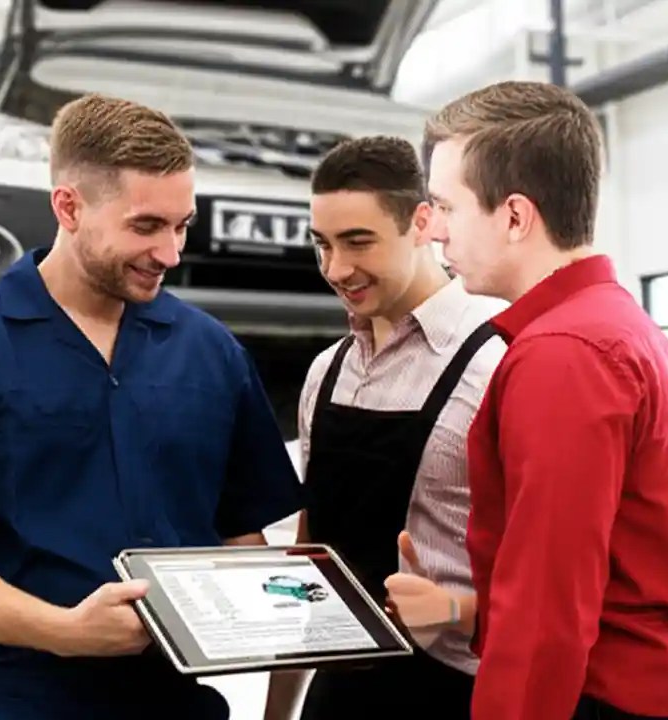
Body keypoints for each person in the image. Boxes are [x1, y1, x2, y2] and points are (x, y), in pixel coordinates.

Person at [0, 93, 303, 720]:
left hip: (177, 705)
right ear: (68, 207)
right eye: (145, 227)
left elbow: (243, 536)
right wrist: (66, 631)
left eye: (181, 225)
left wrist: (300, 614)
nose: (171, 253)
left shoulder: (212, 353)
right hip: (19, 705)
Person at [424, 80, 668, 720]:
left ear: (514, 216)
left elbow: (546, 602)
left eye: (447, 207)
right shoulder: (609, 326)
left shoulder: (565, 355)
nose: (436, 234)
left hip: (596, 701)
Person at [262, 136, 506, 720]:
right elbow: (309, 561)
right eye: (322, 244)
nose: (335, 269)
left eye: (357, 242)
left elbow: (560, 576)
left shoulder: (498, 360)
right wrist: (276, 713)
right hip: (340, 693)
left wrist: (456, 610)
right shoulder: (327, 373)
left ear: (422, 223)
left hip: (462, 694)